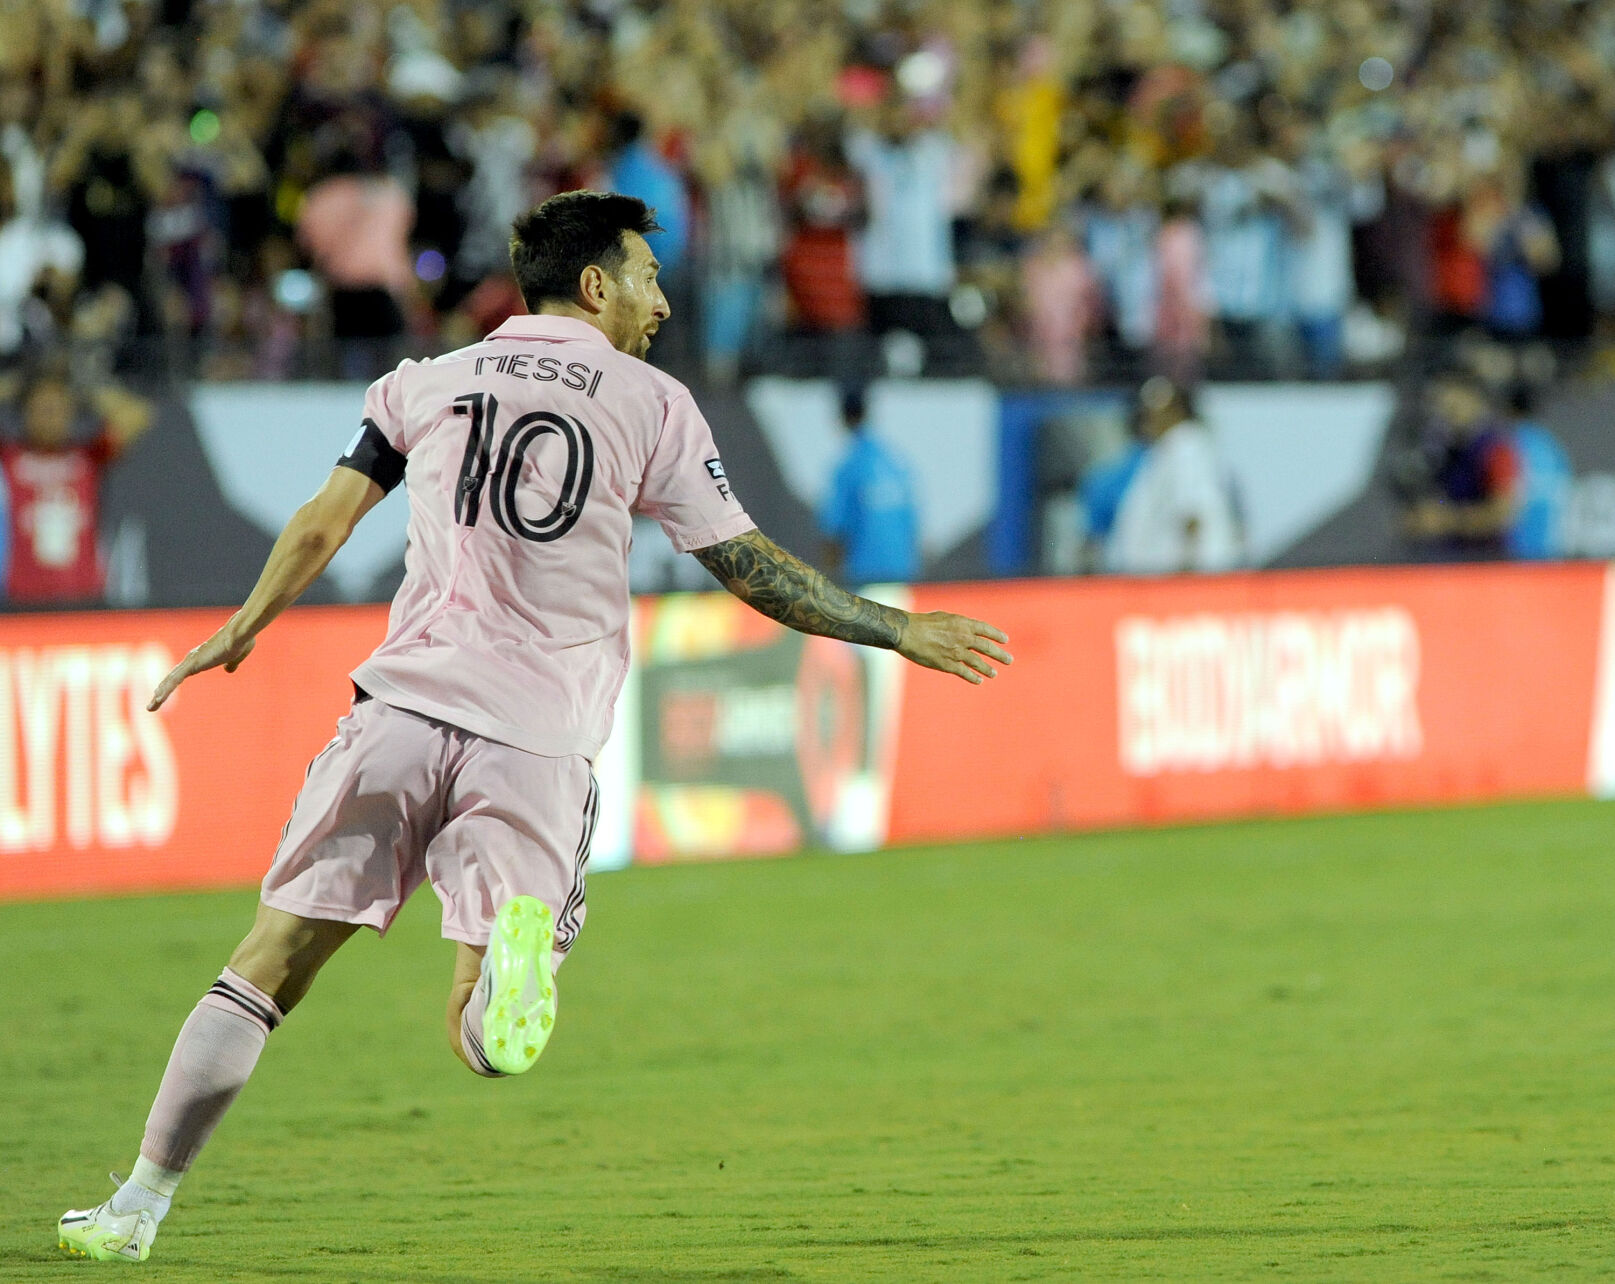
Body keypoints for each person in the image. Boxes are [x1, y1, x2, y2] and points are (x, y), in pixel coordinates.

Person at [57, 190, 1011, 1263]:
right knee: (480, 1030)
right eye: (647, 276)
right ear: (596, 285)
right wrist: (893, 629)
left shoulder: (428, 381)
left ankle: (135, 1208)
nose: (659, 300)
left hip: (402, 715)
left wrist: (242, 628)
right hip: (538, 740)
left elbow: (325, 518)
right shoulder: (652, 404)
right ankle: (511, 974)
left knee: (264, 967)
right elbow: (751, 570)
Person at [0, 361, 152, 605]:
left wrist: (87, 387)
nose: (49, 416)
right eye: (40, 408)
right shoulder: (9, 457)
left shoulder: (88, 456)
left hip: (84, 595)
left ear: (71, 412)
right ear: (25, 412)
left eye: (57, 408)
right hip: (23, 598)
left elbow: (137, 415)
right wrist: (13, 386)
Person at [1106, 376, 1241, 575]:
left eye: (1157, 410)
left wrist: (1186, 570)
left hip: (1185, 578)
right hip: (1161, 578)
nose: (1150, 417)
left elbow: (1193, 512)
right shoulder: (1166, 449)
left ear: (1178, 411)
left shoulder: (1187, 445)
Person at [818, 387, 921, 585]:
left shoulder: (849, 467)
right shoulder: (896, 463)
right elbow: (913, 528)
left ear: (842, 418)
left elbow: (834, 533)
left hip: (865, 581)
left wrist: (826, 586)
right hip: (904, 579)